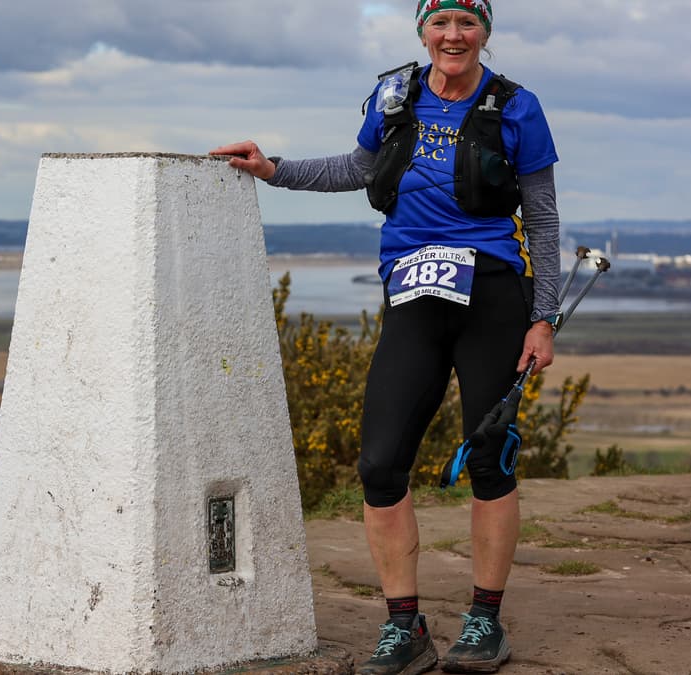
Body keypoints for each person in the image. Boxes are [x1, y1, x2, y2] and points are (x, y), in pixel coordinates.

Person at [211, 2, 560, 673]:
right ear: (423, 30)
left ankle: (485, 622)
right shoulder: (393, 95)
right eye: (441, 22)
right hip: (413, 293)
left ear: (485, 33)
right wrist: (273, 168)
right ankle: (406, 628)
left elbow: (542, 221)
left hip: (493, 293)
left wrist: (542, 318)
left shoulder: (517, 107)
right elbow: (358, 168)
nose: (453, 36)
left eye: (467, 23)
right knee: (378, 464)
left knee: (490, 455)